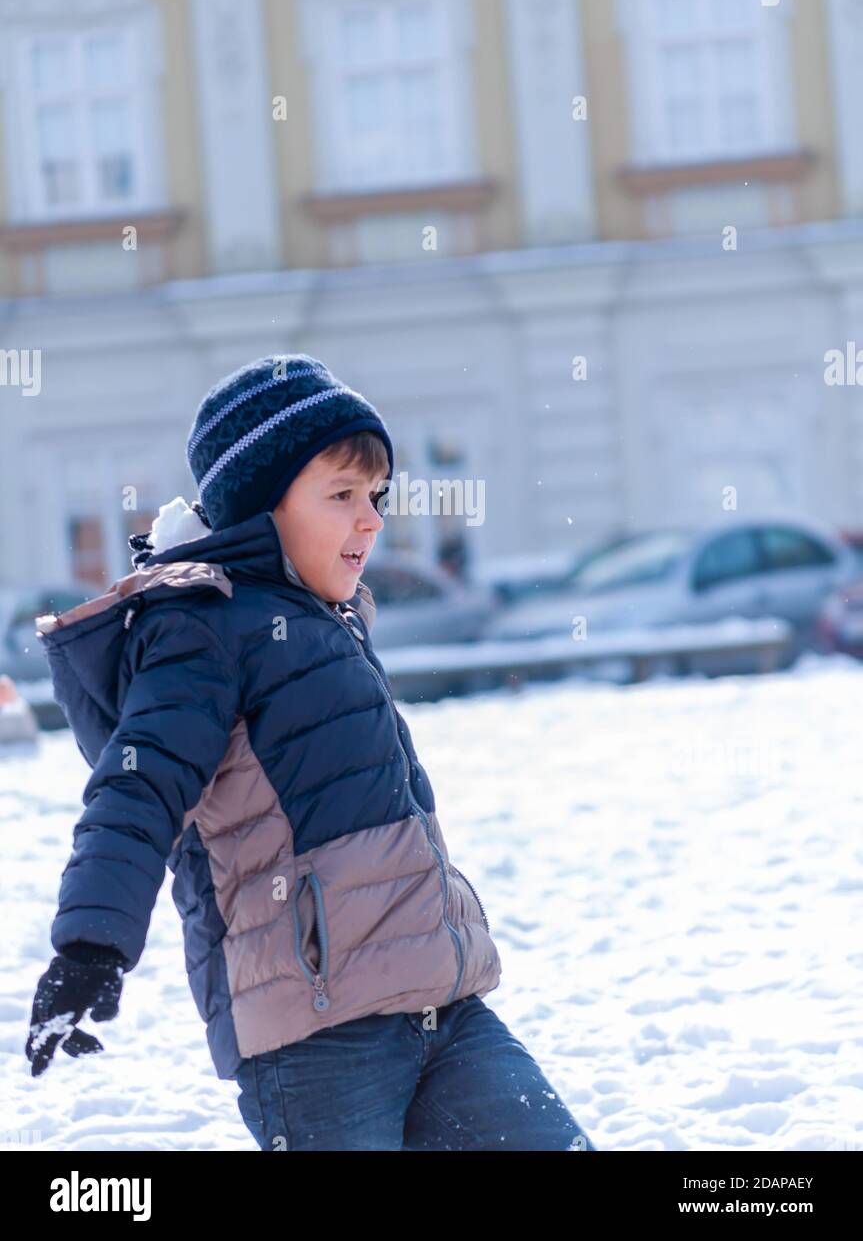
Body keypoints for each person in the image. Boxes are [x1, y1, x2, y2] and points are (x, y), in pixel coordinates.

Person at [25, 353, 597, 1152]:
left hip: (444, 1007)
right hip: (317, 1039)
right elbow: (137, 787)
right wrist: (91, 945)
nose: (370, 520)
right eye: (341, 495)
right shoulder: (201, 628)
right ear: (259, 511)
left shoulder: (334, 615)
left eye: (375, 497)